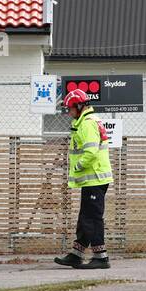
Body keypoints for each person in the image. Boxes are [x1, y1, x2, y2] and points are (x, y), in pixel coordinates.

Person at [55, 88, 112, 269]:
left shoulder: (87, 123)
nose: (69, 112)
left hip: (94, 178)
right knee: (85, 217)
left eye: (70, 108)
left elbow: (91, 151)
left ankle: (100, 257)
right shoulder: (87, 121)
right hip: (92, 179)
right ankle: (76, 253)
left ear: (79, 106)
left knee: (92, 218)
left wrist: (78, 166)